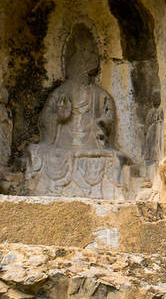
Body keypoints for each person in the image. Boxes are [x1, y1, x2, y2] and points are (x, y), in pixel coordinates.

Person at [25, 28, 130, 198]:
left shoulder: (100, 95)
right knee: (39, 152)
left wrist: (102, 122)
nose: (85, 58)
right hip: (62, 146)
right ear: (70, 60)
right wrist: (59, 117)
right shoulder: (60, 93)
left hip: (91, 147)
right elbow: (44, 121)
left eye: (89, 53)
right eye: (81, 53)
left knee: (115, 158)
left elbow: (108, 117)